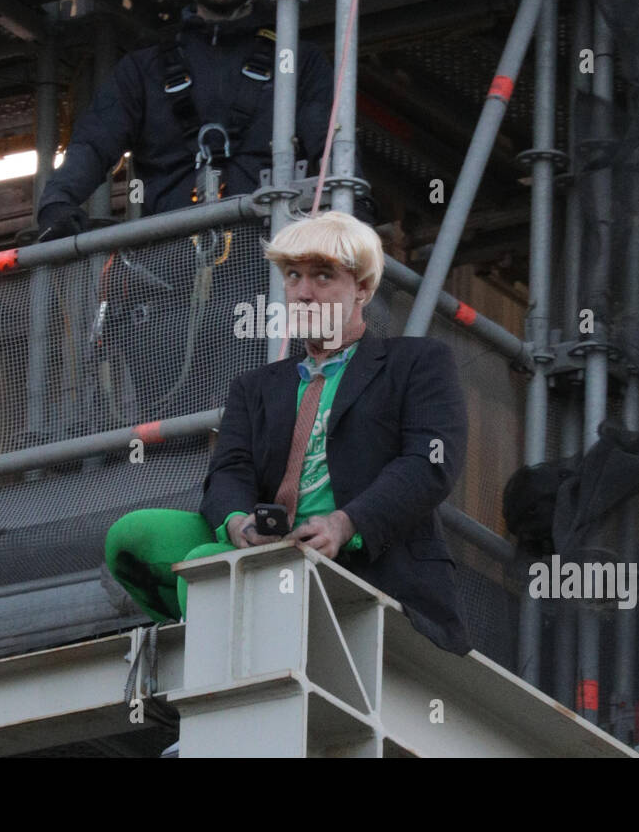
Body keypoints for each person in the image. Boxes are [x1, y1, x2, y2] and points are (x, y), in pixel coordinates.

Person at [104, 211, 472, 654]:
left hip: (363, 558)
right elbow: (229, 472)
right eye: (293, 276)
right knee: (132, 535)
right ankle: (225, 639)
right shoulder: (254, 386)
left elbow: (429, 464)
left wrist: (344, 523)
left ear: (363, 289)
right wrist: (237, 522)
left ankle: (227, 666)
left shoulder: (417, 362)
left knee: (206, 566)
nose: (302, 293)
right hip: (267, 548)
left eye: (322, 276)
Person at [36, 0, 366, 238]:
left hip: (271, 261)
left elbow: (330, 142)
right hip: (168, 267)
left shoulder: (298, 62)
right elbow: (92, 145)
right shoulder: (142, 71)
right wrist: (58, 203)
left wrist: (355, 208)